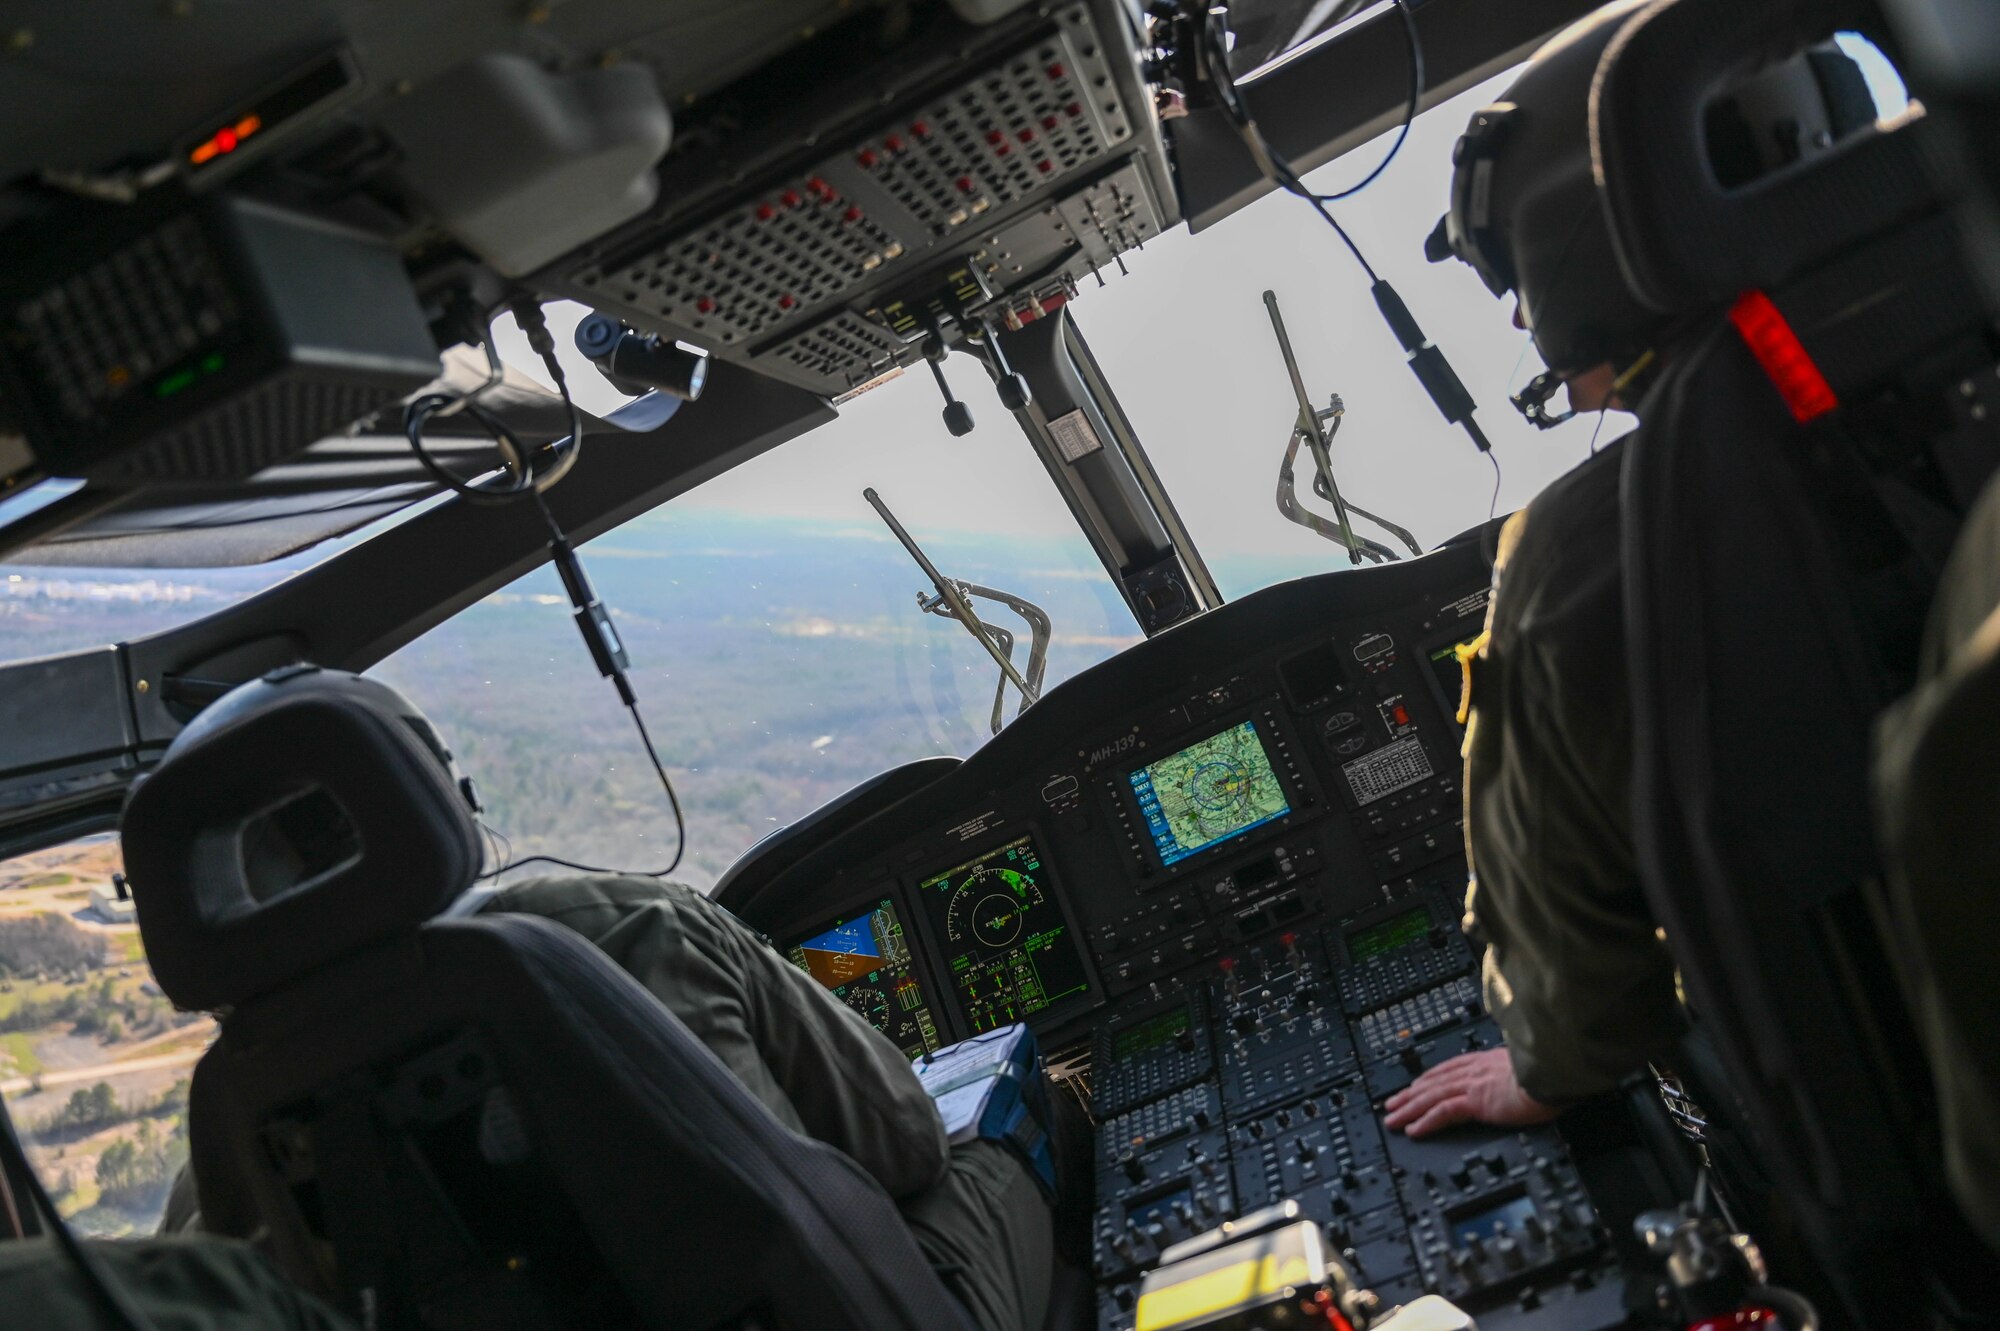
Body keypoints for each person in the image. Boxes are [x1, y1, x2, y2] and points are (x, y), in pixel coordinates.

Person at [153, 672, 1061, 1331]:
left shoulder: (232, 1121)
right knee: (1001, 1124)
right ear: (436, 800)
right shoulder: (626, 925)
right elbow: (902, 1140)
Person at [1383, 4, 1874, 1139]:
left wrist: (1546, 1065)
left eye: (1514, 274)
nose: (1517, 310)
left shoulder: (1583, 553)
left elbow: (1569, 946)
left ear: (1582, 254)